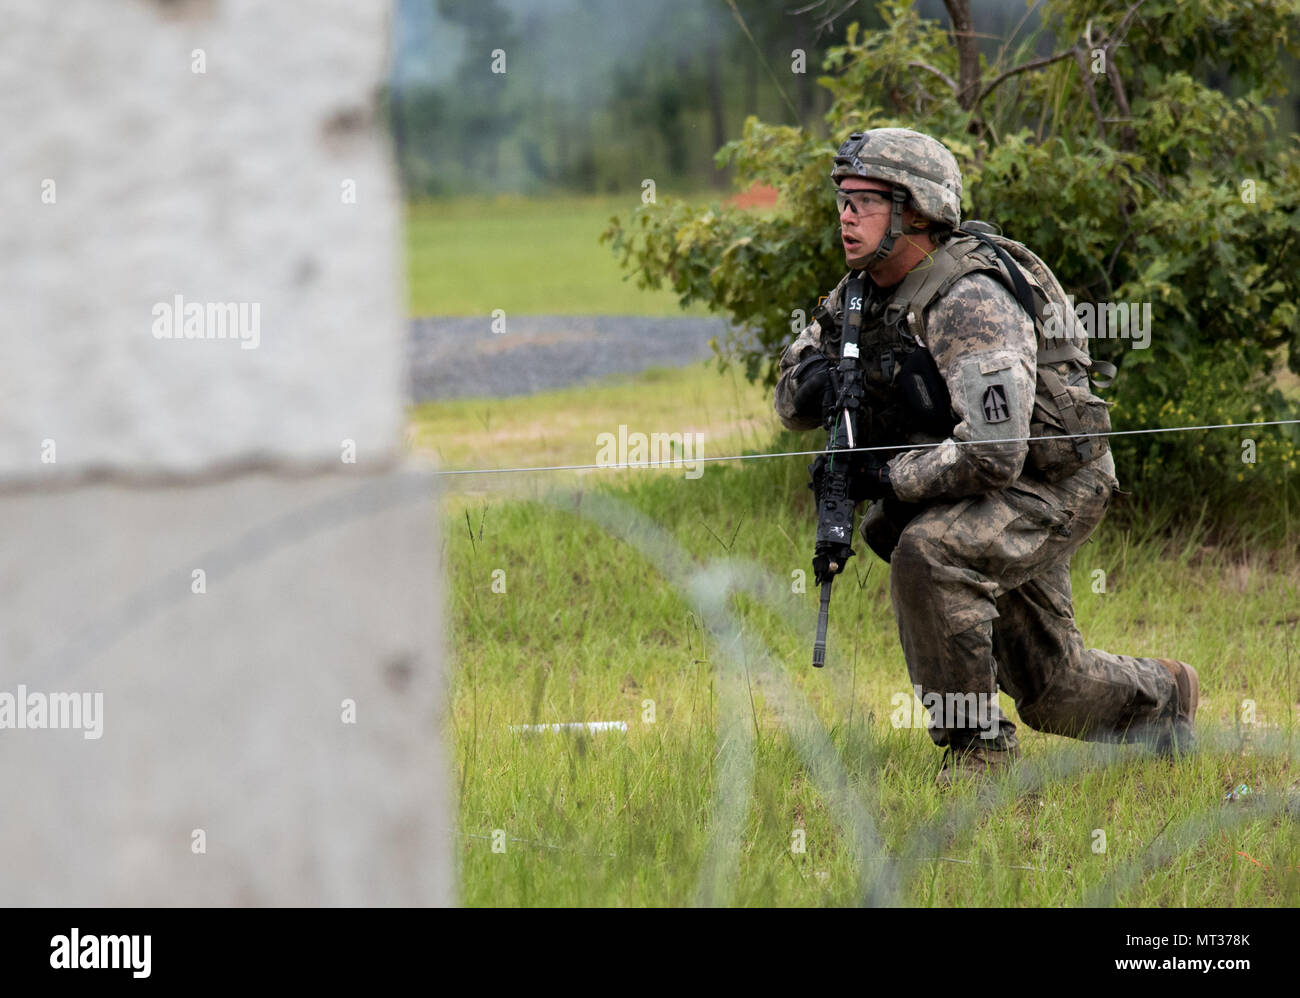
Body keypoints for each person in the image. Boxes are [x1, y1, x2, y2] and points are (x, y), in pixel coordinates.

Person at [774, 127, 1199, 785]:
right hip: (983, 481)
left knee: (930, 553)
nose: (846, 215)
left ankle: (979, 754)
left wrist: (886, 475)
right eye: (842, 199)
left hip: (1049, 480)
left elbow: (998, 453)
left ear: (914, 209)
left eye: (864, 200)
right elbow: (791, 388)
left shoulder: (970, 299)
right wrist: (817, 382)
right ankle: (1165, 698)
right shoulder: (859, 294)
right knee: (1053, 690)